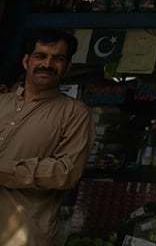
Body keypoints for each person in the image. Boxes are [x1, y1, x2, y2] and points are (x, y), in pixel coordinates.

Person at [0, 29, 94, 246]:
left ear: (67, 66)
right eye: (40, 56)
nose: (48, 64)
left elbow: (66, 172)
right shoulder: (2, 102)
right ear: (26, 61)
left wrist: (5, 170)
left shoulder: (75, 112)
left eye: (58, 58)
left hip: (21, 236)